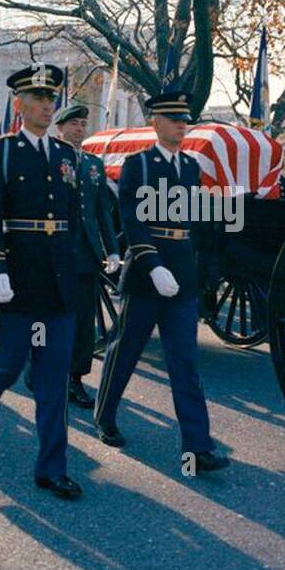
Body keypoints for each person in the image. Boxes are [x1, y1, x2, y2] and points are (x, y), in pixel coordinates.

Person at [0, 66, 84, 497]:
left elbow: (75, 217)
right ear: (20, 105)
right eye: (38, 98)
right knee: (9, 364)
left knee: (53, 377)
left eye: (51, 98)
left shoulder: (68, 155)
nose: (48, 105)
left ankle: (52, 467)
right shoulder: (1, 153)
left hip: (59, 281)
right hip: (17, 276)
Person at [93, 89, 228, 476]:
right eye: (175, 119)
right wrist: (152, 265)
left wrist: (204, 271)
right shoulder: (139, 165)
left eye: (186, 120)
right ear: (156, 123)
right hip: (147, 275)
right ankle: (105, 416)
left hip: (181, 276)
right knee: (125, 352)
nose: (183, 125)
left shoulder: (190, 167)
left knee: (185, 364)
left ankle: (197, 447)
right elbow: (133, 217)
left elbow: (195, 222)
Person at [54, 100, 120, 406]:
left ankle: (74, 378)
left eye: (83, 124)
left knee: (83, 323)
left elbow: (102, 211)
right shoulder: (50, 157)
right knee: (54, 317)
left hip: (88, 255)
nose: (79, 129)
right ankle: (43, 367)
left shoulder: (94, 164)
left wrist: (113, 250)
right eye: (74, 124)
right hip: (57, 252)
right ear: (61, 127)